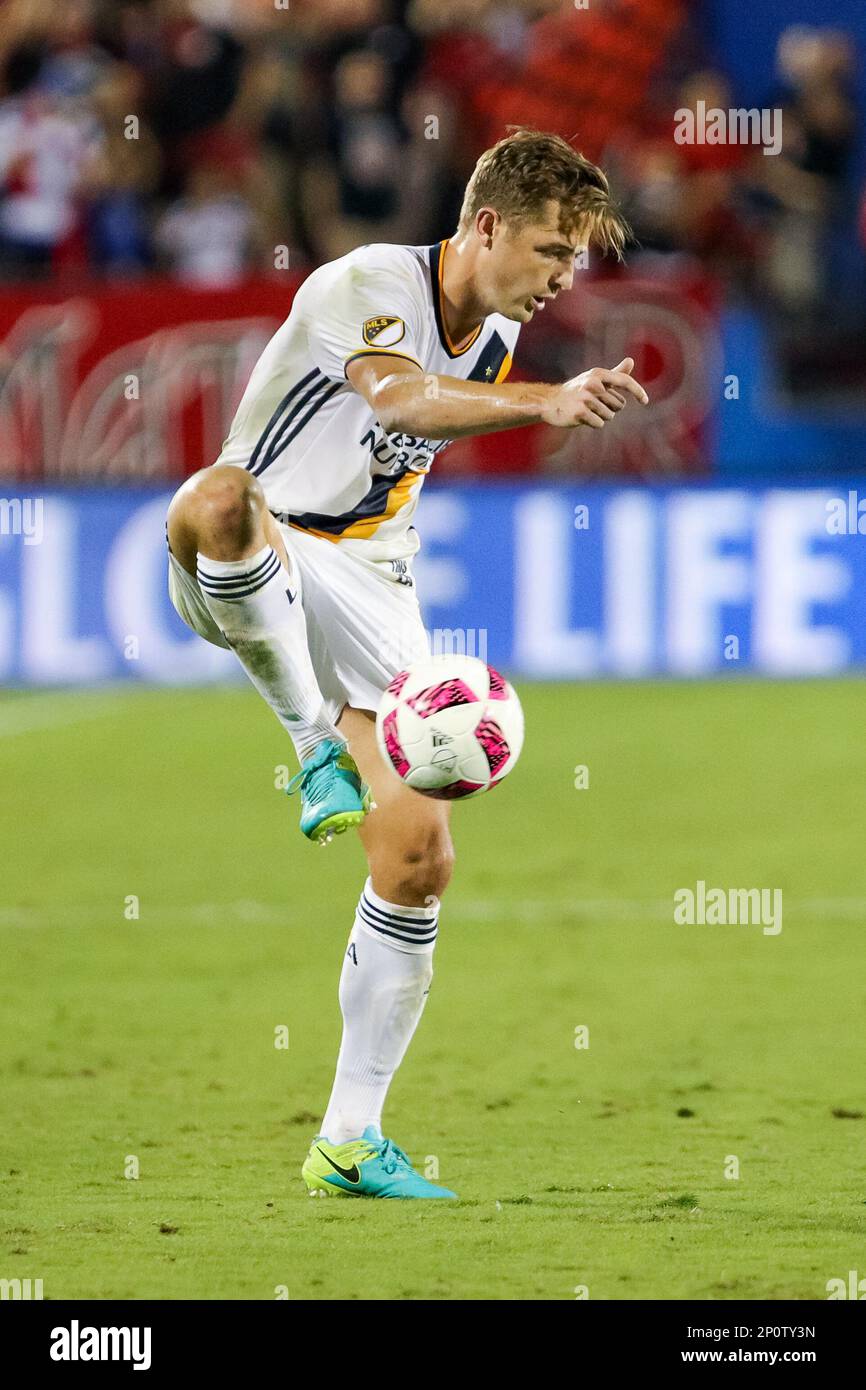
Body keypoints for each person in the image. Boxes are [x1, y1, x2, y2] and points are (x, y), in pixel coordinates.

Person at [164, 126, 649, 1199]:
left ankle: (346, 1136)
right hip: (259, 548)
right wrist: (543, 401)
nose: (561, 279)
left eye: (573, 261)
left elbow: (408, 453)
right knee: (213, 497)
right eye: (549, 252)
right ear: (484, 225)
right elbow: (392, 399)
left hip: (365, 580)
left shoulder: (490, 338)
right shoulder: (368, 281)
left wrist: (522, 389)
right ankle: (309, 749)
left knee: (420, 856)